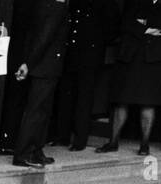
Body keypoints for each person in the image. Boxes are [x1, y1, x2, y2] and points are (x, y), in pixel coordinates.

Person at [99, 0, 161, 155]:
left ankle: (144, 144)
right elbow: (125, 22)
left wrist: (143, 23)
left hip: (156, 60)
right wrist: (147, 29)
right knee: (121, 100)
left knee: (148, 103)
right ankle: (113, 141)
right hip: (131, 56)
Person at [10, 0, 72, 166]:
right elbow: (44, 37)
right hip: (45, 65)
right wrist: (29, 63)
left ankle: (36, 150)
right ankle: (23, 153)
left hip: (45, 64)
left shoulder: (45, 4)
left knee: (42, 111)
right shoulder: (56, 6)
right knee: (36, 111)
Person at [54, 0, 120, 152]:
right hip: (70, 52)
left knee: (84, 98)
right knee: (66, 95)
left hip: (90, 54)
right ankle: (61, 136)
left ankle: (79, 139)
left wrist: (98, 42)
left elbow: (112, 27)